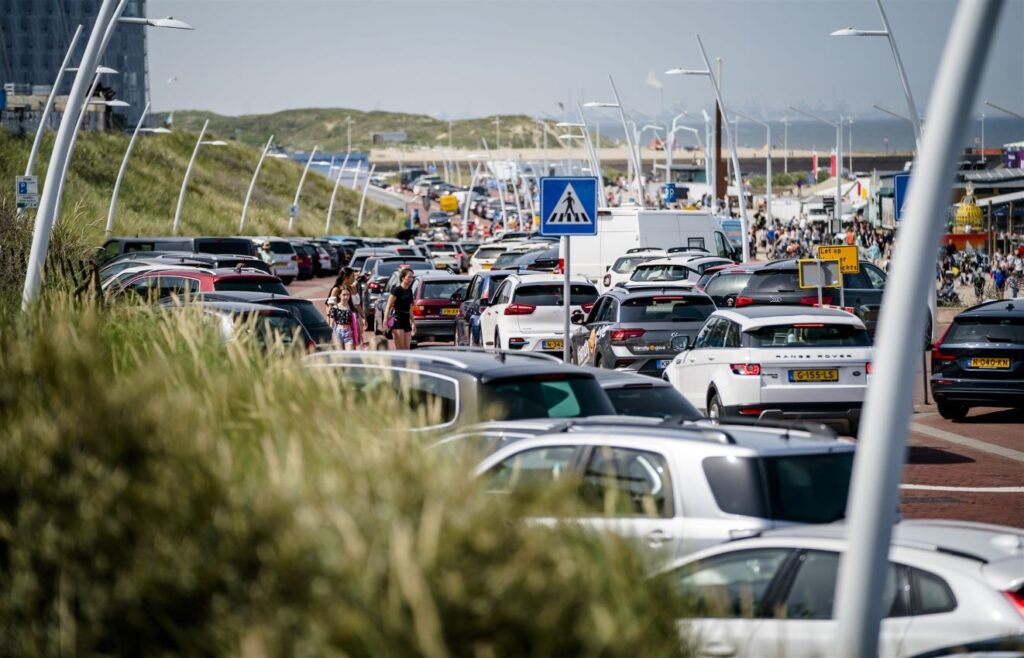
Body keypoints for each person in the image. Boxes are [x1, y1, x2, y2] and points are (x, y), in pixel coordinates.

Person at [383, 267, 416, 350]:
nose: (411, 279)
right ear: (403, 278)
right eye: (409, 277)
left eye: (412, 277)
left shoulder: (410, 291)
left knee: (407, 349)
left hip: (406, 320)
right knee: (400, 348)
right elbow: (388, 305)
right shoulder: (396, 290)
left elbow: (410, 307)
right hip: (398, 320)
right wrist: (385, 320)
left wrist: (413, 322)